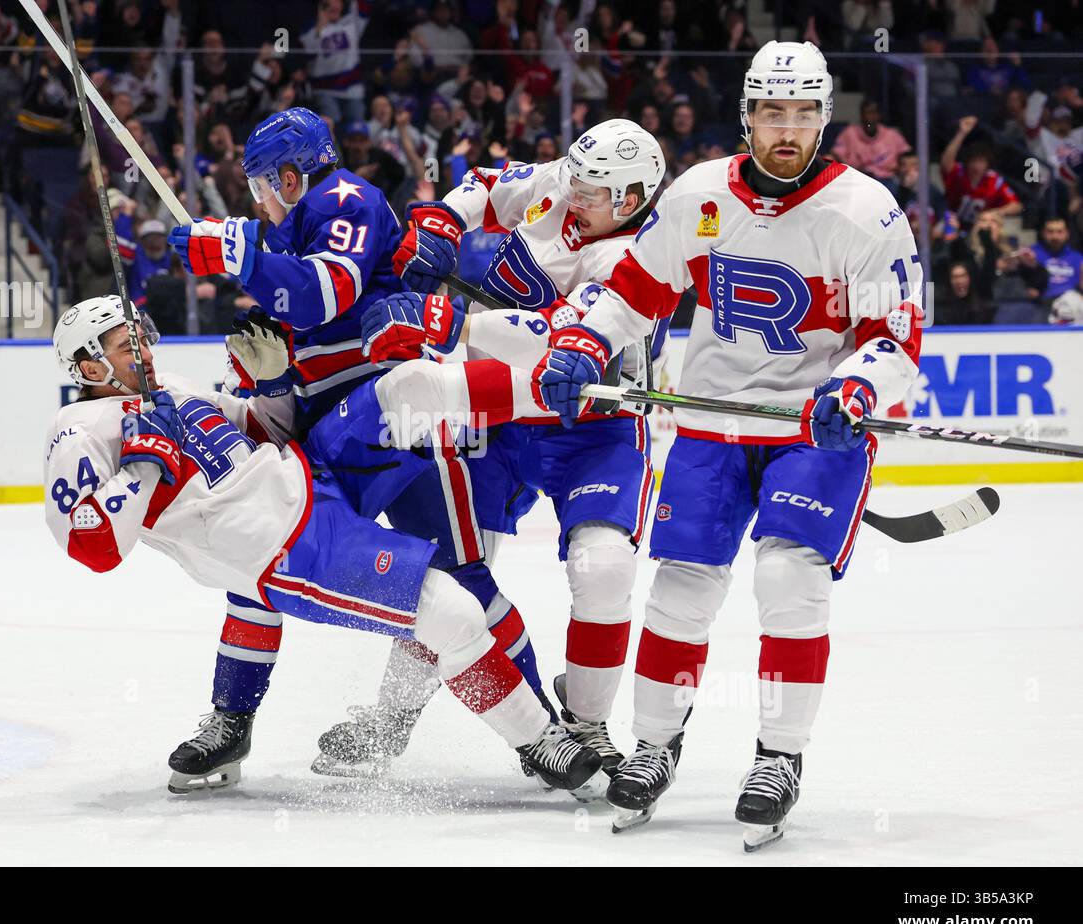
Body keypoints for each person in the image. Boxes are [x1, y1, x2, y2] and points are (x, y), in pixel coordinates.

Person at [530, 41, 925, 850]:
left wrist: (855, 385)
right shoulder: (699, 195)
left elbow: (897, 339)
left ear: (824, 117)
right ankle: (655, 745)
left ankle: (778, 757)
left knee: (787, 580)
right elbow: (636, 291)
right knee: (682, 587)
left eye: (805, 113)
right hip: (713, 426)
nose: (788, 128)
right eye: (773, 112)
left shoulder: (869, 213)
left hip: (815, 429)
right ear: (747, 115)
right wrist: (583, 344)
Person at [44, 294, 602, 795]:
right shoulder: (80, 429)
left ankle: (572, 388)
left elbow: (267, 432)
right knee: (452, 611)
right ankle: (539, 740)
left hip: (310, 469)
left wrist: (271, 384)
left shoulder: (172, 389)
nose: (141, 348)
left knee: (407, 386)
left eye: (140, 335)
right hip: (286, 543)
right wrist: (142, 467)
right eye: (125, 345)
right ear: (91, 367)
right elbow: (92, 546)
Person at [165, 107, 556, 783]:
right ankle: (233, 719)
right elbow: (314, 335)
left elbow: (327, 294)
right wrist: (274, 368)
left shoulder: (342, 199)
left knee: (459, 578)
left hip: (402, 421)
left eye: (262, 184)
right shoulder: (294, 228)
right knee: (259, 552)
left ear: (291, 175)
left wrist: (241, 254)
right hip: (331, 426)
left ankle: (544, 731)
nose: (258, 200)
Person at [315, 120, 667, 786]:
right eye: (576, 177)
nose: (573, 192)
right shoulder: (568, 183)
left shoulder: (639, 256)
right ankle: (391, 720)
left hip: (590, 424)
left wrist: (448, 320)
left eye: (592, 190)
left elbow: (554, 338)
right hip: (500, 409)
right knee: (450, 570)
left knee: (604, 567)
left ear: (629, 200)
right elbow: (482, 188)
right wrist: (443, 224)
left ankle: (584, 722)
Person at [940, 117, 1023, 231]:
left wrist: (998, 212)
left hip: (978, 227)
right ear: (967, 162)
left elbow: (1017, 206)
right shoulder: (959, 172)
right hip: (951, 222)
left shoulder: (994, 180)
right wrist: (962, 133)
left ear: (987, 164)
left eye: (981, 162)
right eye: (973, 161)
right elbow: (946, 163)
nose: (976, 166)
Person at [301, 0, 369, 127]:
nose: (335, 5)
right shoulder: (309, 31)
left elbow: (363, 7)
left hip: (352, 89)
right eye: (329, 3)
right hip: (325, 91)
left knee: (358, 125)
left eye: (338, 2)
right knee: (330, 125)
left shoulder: (350, 23)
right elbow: (310, 52)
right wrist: (321, 21)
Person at [831, 100, 911, 184]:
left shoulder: (892, 135)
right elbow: (835, 154)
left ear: (879, 115)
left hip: (888, 179)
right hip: (857, 180)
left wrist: (904, 169)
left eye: (872, 113)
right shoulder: (849, 133)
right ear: (861, 116)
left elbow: (908, 156)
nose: (868, 117)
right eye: (865, 113)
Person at [1032, 217, 1083, 302]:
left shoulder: (1078, 258)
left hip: (1070, 303)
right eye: (1050, 232)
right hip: (1041, 303)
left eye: (1059, 232)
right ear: (1043, 233)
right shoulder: (1031, 254)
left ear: (1067, 233)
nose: (1055, 236)